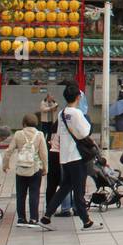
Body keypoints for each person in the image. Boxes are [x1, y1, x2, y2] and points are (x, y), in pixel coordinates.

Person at [41, 84, 102, 230]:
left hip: (65, 156)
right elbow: (84, 133)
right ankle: (86, 222)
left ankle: (46, 217)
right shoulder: (77, 113)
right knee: (79, 191)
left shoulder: (62, 113)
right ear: (78, 97)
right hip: (76, 156)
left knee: (64, 188)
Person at [3, 113, 48, 227]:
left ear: (24, 123)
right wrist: (45, 167)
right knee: (34, 193)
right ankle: (33, 219)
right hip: (35, 168)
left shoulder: (18, 134)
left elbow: (9, 150)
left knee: (20, 194)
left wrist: (5, 164)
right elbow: (43, 153)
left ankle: (21, 219)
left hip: (21, 169)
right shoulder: (39, 134)